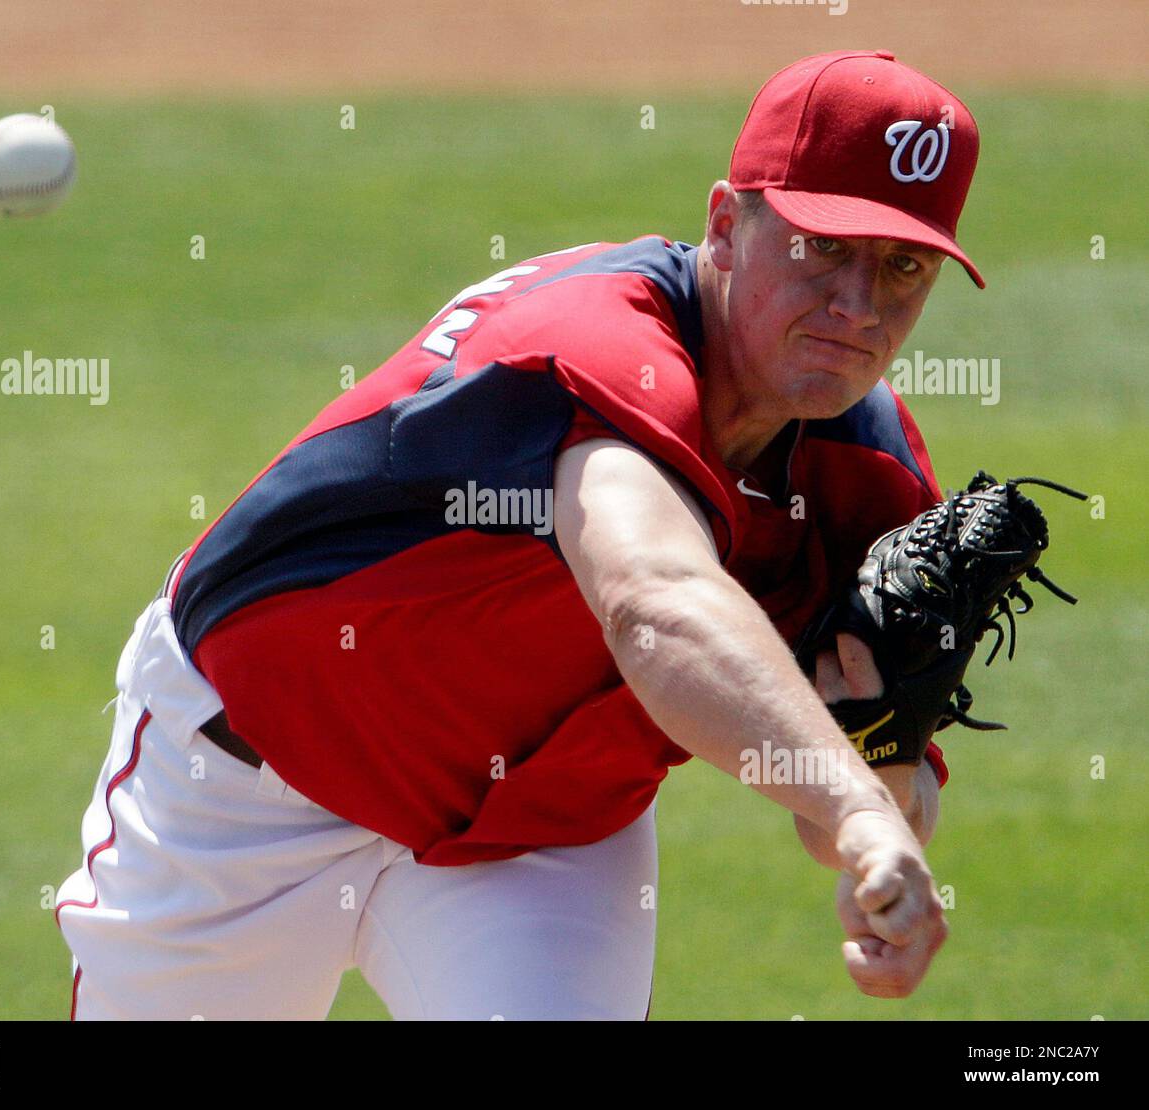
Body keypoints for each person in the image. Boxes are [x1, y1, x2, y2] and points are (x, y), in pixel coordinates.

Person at [56, 49, 979, 1019]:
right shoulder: (597, 340)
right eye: (821, 247)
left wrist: (883, 804)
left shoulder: (869, 477)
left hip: (539, 842)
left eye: (903, 266)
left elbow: (867, 796)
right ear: (724, 225)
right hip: (246, 789)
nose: (858, 306)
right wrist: (861, 812)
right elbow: (655, 601)